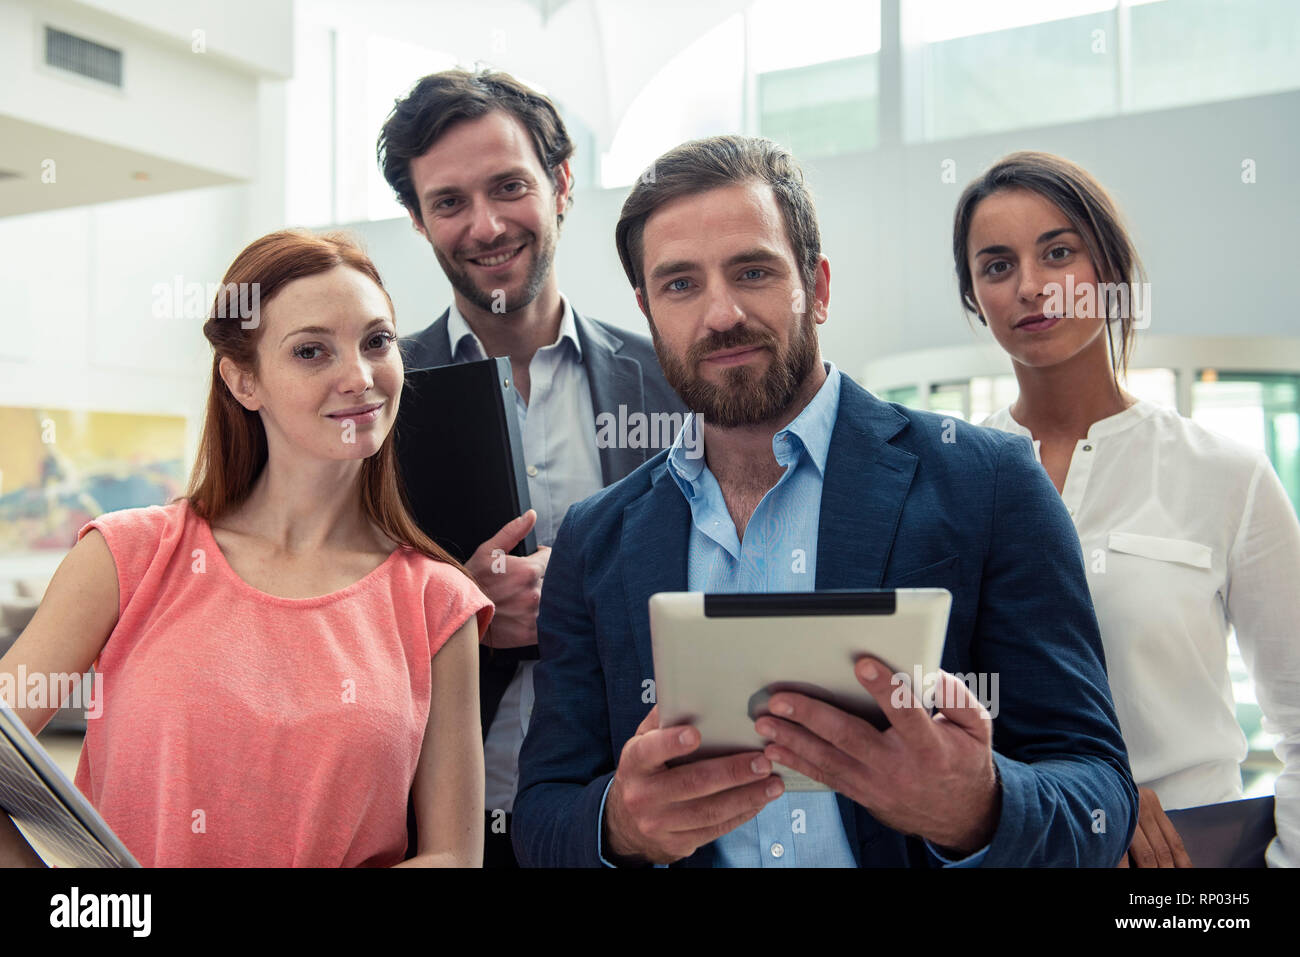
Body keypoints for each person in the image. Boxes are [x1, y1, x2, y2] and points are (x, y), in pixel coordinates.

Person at [511, 134, 1137, 868]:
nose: (721, 313)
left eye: (753, 271)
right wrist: (619, 823)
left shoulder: (989, 481)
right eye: (680, 285)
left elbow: (1100, 797)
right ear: (648, 310)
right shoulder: (598, 536)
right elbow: (541, 815)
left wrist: (975, 806)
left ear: (820, 286)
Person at [0, 230, 491, 868]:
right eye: (312, 351)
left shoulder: (437, 601)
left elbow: (454, 856)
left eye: (377, 341)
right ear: (242, 380)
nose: (359, 376)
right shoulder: (128, 556)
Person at [957, 150, 1300, 868]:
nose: (1030, 286)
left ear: (1109, 272)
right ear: (975, 300)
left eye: (1058, 252)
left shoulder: (1226, 475)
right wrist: (1094, 799)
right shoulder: (950, 479)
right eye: (996, 266)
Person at [376, 69, 684, 866]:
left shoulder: (675, 381)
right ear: (417, 219)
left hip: (633, 813)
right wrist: (456, 616)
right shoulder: (377, 396)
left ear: (561, 184)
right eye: (448, 202)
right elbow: (325, 612)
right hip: (441, 823)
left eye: (509, 186)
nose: (484, 226)